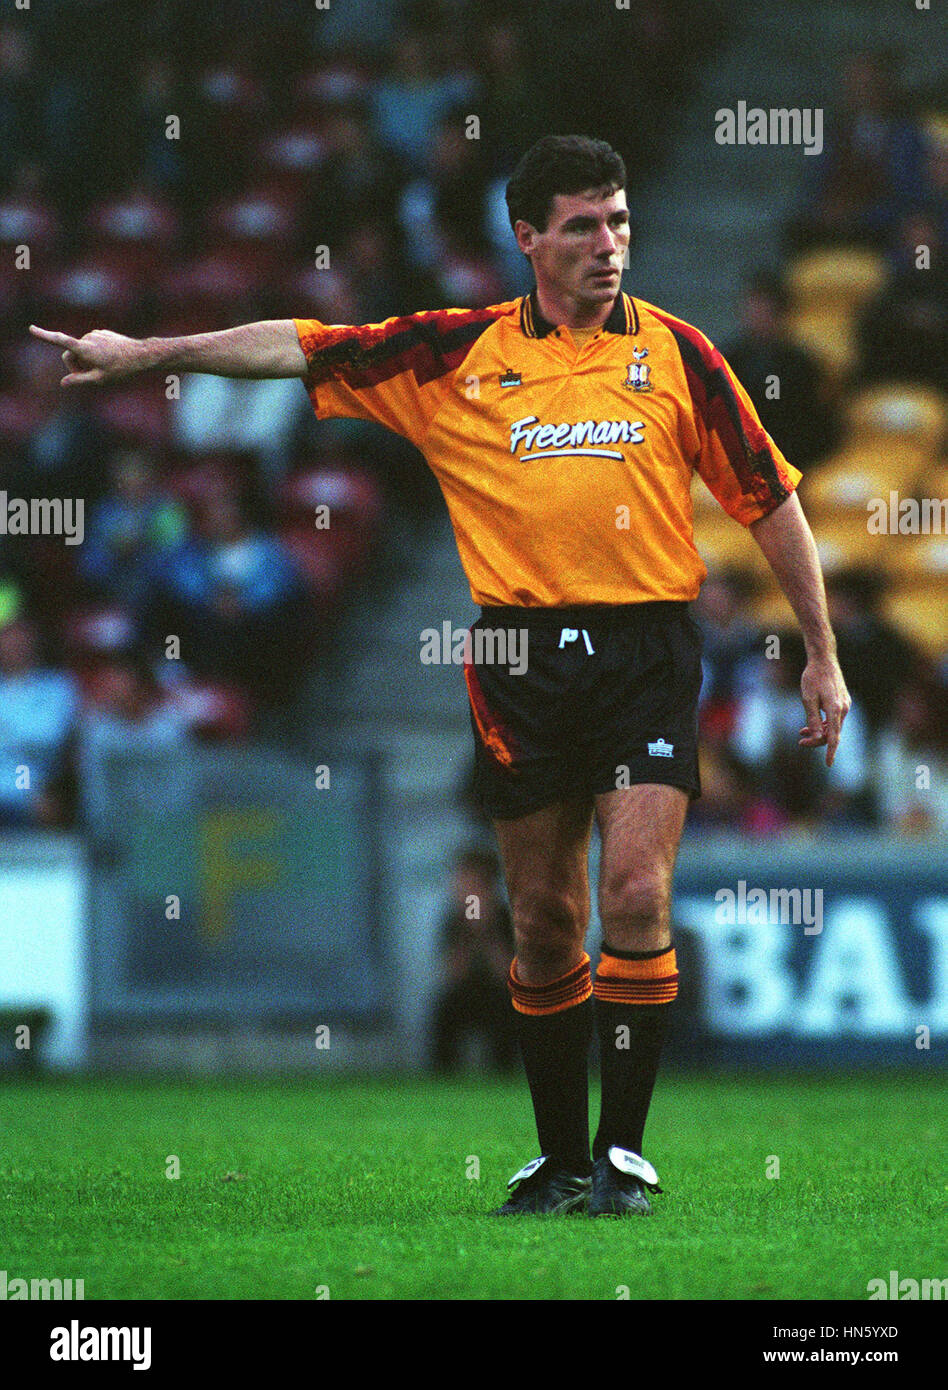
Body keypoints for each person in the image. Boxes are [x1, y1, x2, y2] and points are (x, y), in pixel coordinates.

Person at [29, 134, 851, 1218]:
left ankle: (625, 1156)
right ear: (527, 238)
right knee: (547, 917)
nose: (609, 246)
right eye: (582, 226)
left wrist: (822, 654)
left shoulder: (683, 355)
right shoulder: (452, 354)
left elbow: (769, 496)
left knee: (637, 890)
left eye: (620, 223)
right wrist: (146, 354)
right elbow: (302, 344)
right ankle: (558, 1159)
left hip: (648, 647)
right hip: (515, 661)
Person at [429, 848, 516, 1073]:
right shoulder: (454, 920)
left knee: (509, 1012)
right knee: (445, 1010)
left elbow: (508, 974)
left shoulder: (505, 918)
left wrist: (487, 932)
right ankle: (442, 1080)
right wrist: (468, 933)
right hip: (463, 994)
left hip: (499, 995)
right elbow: (452, 974)